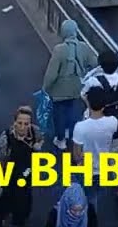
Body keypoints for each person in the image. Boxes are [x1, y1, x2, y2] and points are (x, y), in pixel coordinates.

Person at [42, 19, 98, 150]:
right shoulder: (84, 47)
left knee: (59, 113)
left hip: (59, 89)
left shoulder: (59, 50)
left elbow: (52, 73)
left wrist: (46, 87)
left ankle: (60, 140)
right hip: (76, 87)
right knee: (72, 111)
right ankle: (71, 134)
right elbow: (95, 63)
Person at [0, 106, 44, 227]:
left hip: (26, 176)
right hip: (8, 176)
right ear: (14, 122)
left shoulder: (35, 133)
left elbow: (41, 142)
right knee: (2, 204)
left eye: (26, 124)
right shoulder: (6, 137)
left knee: (22, 207)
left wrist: (38, 147)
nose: (22, 127)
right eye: (19, 123)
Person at [71, 88, 118, 206]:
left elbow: (77, 156)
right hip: (103, 167)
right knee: (94, 197)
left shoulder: (80, 127)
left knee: (82, 198)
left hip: (86, 169)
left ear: (88, 102)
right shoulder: (113, 122)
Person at [79, 51, 118, 152]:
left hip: (96, 119)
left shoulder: (94, 80)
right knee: (113, 148)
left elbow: (83, 94)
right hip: (117, 119)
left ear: (101, 66)